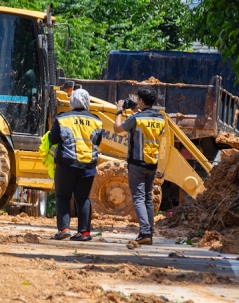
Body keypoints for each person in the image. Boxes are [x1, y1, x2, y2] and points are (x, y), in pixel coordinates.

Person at [114, 86, 166, 245]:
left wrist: (119, 111)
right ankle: (149, 231)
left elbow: (117, 129)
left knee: (138, 198)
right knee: (147, 198)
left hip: (137, 163)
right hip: (152, 163)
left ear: (141, 101)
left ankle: (144, 232)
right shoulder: (160, 119)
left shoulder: (136, 118)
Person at [50, 88, 103, 241]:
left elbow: (53, 139)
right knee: (83, 198)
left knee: (62, 196)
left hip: (66, 164)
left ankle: (64, 229)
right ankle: (84, 232)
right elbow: (97, 141)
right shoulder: (96, 120)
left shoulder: (62, 119)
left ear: (72, 101)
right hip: (88, 166)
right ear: (87, 101)